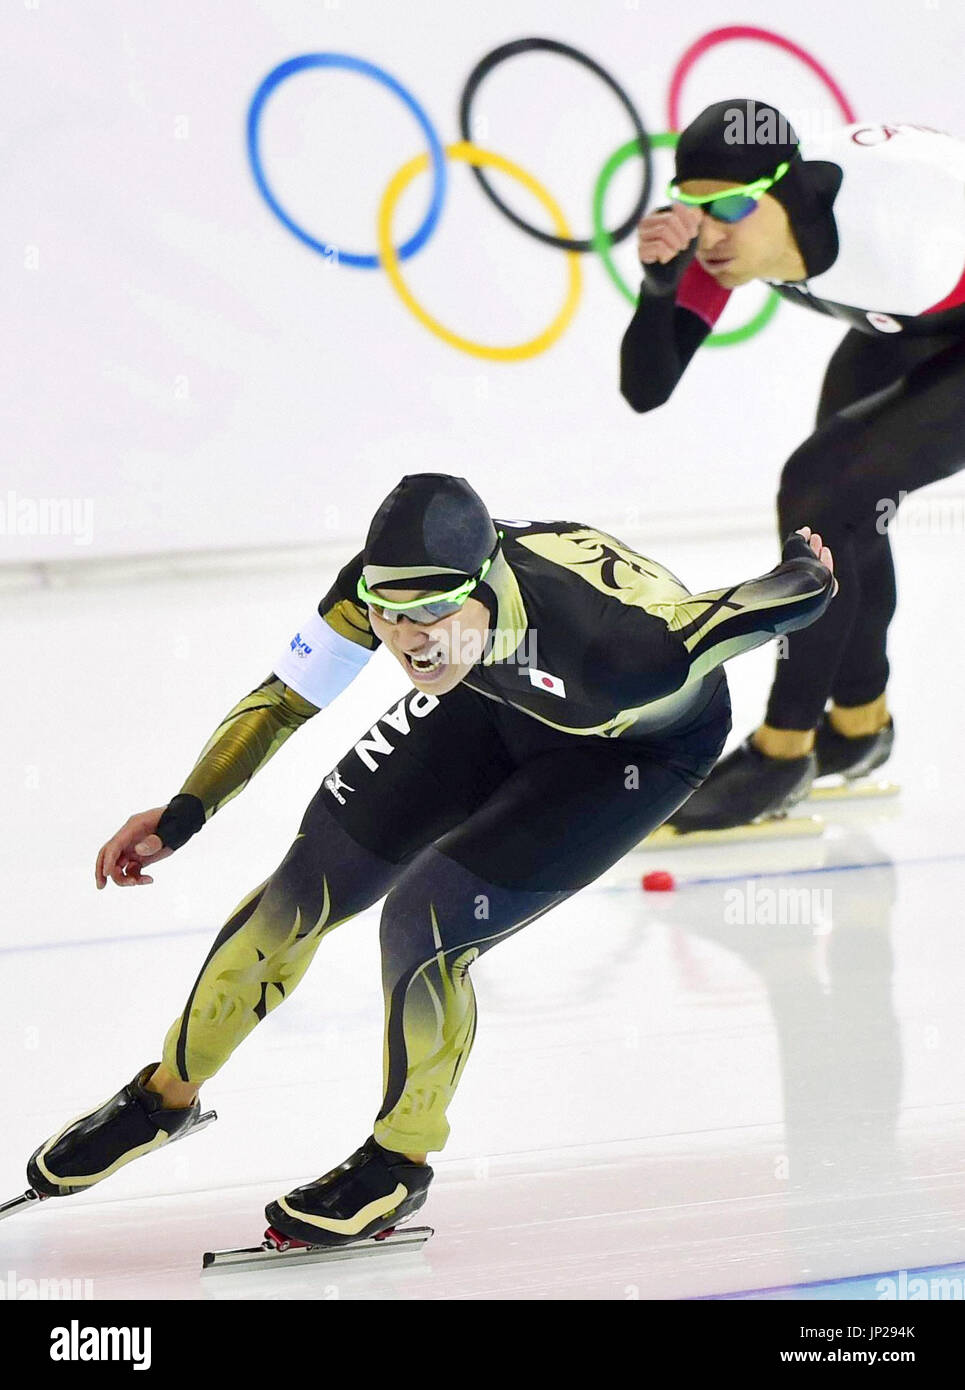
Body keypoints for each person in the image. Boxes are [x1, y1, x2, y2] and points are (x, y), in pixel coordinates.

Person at [23, 474, 835, 1247]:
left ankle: (396, 1162)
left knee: (425, 921)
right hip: (484, 700)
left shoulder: (625, 652)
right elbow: (283, 699)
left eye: (436, 612)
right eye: (388, 616)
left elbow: (773, 603)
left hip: (625, 752)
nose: (410, 641)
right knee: (304, 884)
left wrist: (805, 562)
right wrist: (187, 808)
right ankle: (165, 1094)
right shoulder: (382, 596)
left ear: (482, 586)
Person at [621, 100, 965, 830]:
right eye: (692, 209)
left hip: (925, 284)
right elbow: (645, 389)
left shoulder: (897, 236)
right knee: (837, 506)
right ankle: (860, 727)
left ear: (787, 191)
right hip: (909, 318)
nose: (707, 235)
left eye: (731, 208)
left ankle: (781, 755)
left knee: (824, 484)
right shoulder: (734, 244)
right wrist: (659, 289)